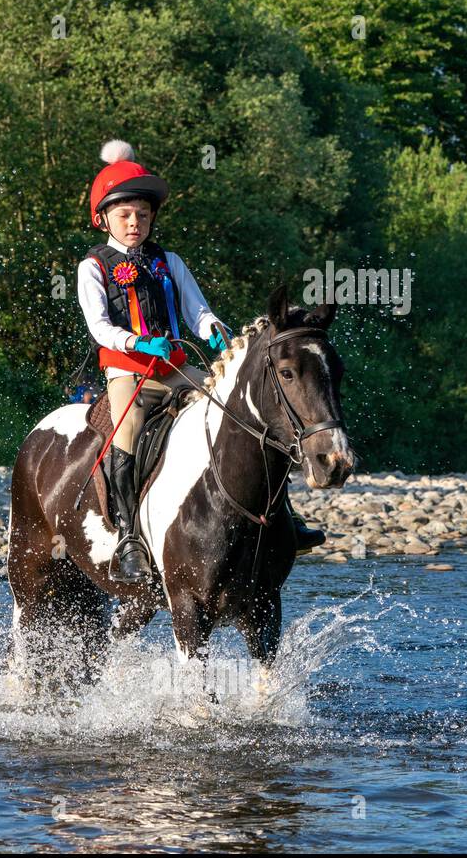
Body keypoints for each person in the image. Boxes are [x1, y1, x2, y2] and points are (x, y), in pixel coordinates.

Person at [79, 140, 323, 580]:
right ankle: (130, 538)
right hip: (127, 372)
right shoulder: (92, 266)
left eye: (143, 215)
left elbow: (197, 309)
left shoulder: (170, 260)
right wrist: (136, 342)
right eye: (125, 215)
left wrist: (211, 326)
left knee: (244, 418)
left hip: (176, 369)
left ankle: (285, 512)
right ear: (104, 219)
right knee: (127, 434)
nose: (135, 223)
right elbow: (98, 325)